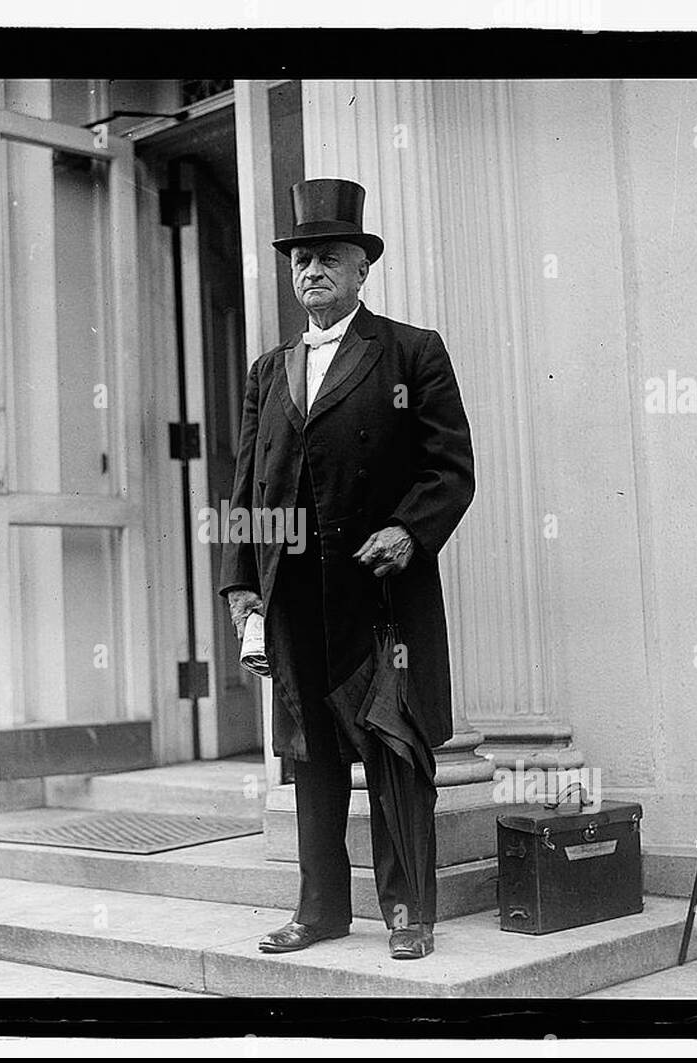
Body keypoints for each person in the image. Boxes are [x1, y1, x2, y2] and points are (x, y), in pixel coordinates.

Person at [219, 178, 475, 960]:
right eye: (300, 259)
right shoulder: (269, 370)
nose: (311, 271)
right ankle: (321, 908)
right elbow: (245, 485)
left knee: (394, 748)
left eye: (329, 256)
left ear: (363, 269)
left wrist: (408, 529)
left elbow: (450, 466)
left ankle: (408, 913)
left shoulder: (410, 350)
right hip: (296, 601)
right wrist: (241, 587)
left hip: (378, 595)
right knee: (311, 758)